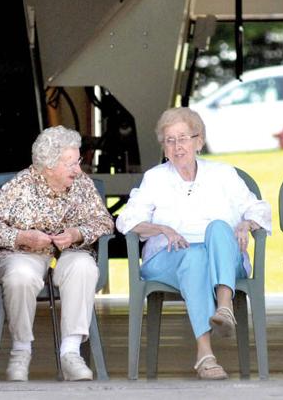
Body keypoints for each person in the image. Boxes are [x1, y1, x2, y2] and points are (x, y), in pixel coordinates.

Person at [116, 107, 271, 380]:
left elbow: (260, 210)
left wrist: (246, 224)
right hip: (169, 258)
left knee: (219, 228)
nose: (177, 147)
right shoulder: (155, 178)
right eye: (170, 140)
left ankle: (223, 307)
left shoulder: (223, 174)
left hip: (223, 257)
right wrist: (161, 228)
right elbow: (126, 221)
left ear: (199, 141)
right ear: (163, 147)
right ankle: (205, 352)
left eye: (183, 138)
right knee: (194, 257)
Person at [0, 126, 113, 382]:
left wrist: (76, 233)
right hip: (23, 253)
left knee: (84, 267)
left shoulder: (82, 184)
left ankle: (71, 353)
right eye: (70, 164)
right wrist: (20, 237)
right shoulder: (22, 185)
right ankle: (21, 350)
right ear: (48, 167)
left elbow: (104, 222)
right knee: (20, 276)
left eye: (78, 161)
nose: (78, 170)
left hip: (70, 252)